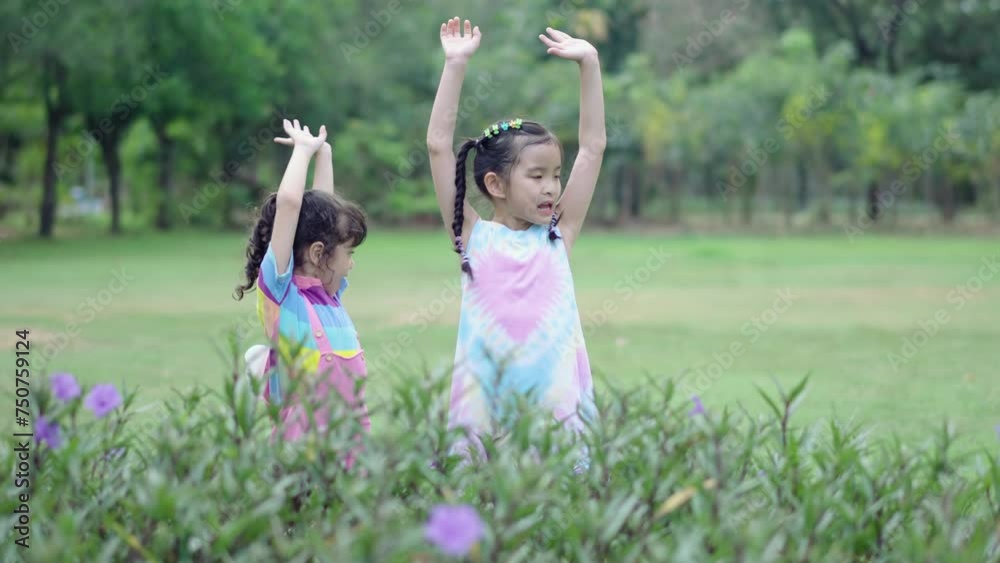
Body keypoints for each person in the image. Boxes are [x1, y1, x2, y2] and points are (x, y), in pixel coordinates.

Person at [426, 17, 607, 470]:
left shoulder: (557, 235)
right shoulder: (471, 235)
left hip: (555, 413)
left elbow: (593, 147)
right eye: (537, 176)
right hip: (485, 409)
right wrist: (455, 65)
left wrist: (590, 65)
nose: (551, 187)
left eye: (556, 176)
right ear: (496, 184)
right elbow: (437, 146)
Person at [234, 119, 370, 467]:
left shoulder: (330, 295)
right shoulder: (283, 296)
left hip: (349, 450)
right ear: (317, 253)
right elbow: (291, 204)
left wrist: (324, 154)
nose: (351, 265)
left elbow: (326, 212)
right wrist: (302, 152)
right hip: (300, 454)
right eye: (348, 254)